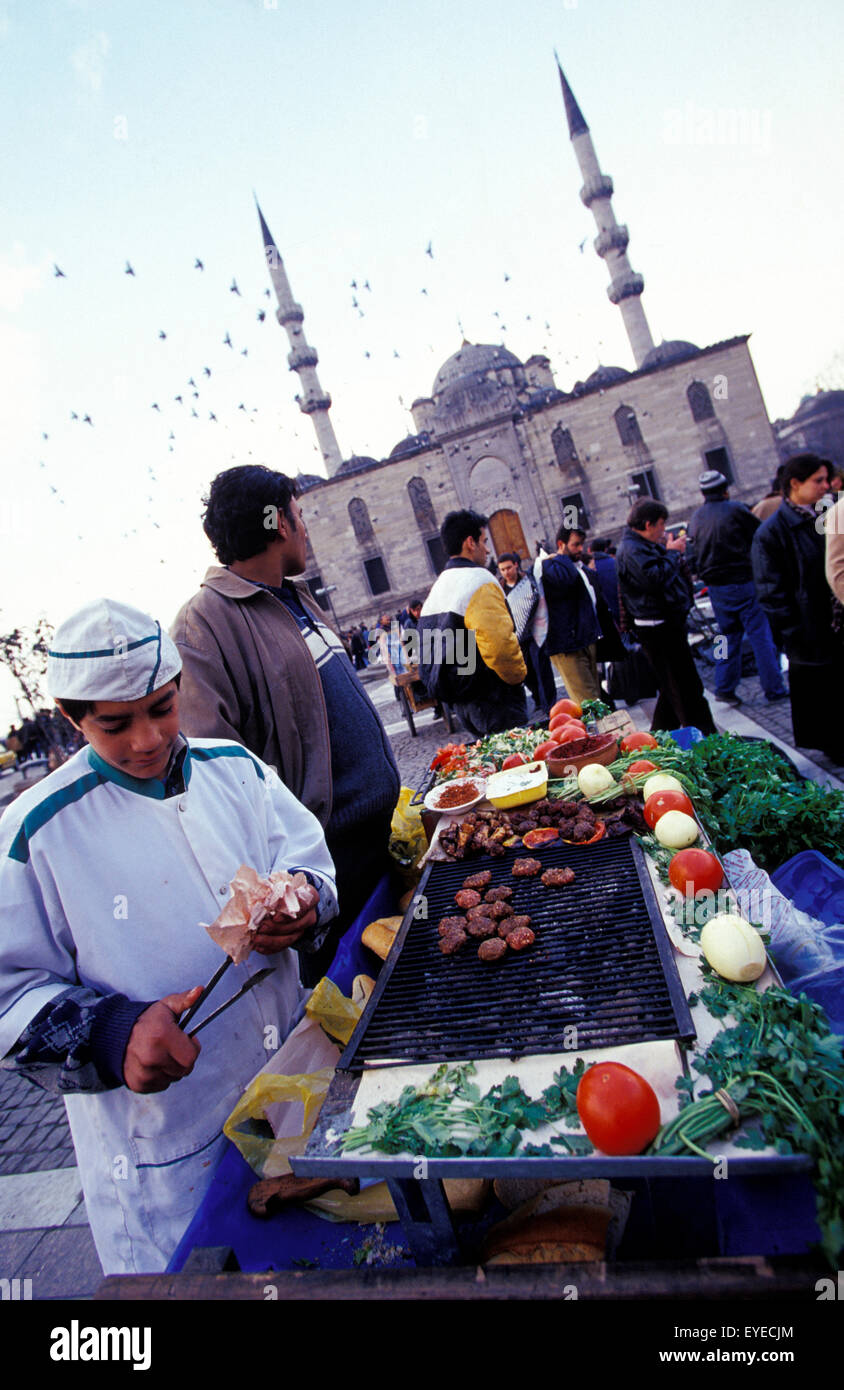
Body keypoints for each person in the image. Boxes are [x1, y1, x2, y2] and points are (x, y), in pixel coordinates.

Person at [0, 600, 338, 1275]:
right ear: (72, 717)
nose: (148, 739)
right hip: (166, 1152)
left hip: (291, 1092)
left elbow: (307, 858)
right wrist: (110, 1033)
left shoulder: (233, 767)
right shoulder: (35, 831)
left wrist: (305, 901)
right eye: (114, 724)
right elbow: (10, 998)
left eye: (161, 707)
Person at [171, 466, 400, 981]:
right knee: (357, 1003)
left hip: (375, 847)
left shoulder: (295, 597)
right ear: (277, 523)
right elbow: (212, 774)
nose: (306, 528)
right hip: (325, 867)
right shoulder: (203, 626)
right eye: (298, 515)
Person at [752, 454, 844, 762]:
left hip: (835, 620)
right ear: (795, 484)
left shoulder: (826, 514)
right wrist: (795, 631)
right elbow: (770, 592)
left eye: (826, 480)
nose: (826, 486)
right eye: (817, 481)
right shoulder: (771, 533)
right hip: (810, 629)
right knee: (823, 698)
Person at [417, 510, 527, 736]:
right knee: (519, 764)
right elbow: (500, 648)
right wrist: (518, 677)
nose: (487, 549)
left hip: (462, 703)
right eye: (484, 541)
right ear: (470, 542)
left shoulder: (438, 587)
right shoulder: (480, 580)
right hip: (493, 699)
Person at [686, 470, 788, 706]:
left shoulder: (696, 518)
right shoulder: (736, 510)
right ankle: (773, 687)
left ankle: (724, 686)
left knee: (725, 637)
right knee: (760, 636)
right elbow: (762, 535)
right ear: (725, 490)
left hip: (717, 589)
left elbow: (693, 555)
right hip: (744, 582)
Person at [616, 499, 717, 734]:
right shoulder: (632, 549)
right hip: (658, 628)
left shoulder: (640, 545)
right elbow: (653, 579)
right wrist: (672, 554)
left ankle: (660, 734)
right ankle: (705, 737)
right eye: (661, 524)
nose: (664, 530)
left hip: (664, 624)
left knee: (673, 687)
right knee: (684, 688)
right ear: (648, 524)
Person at [542, 525, 622, 706]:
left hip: (586, 639)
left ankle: (604, 732)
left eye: (581, 544)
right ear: (561, 544)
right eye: (575, 545)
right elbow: (564, 582)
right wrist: (562, 558)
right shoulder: (551, 566)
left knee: (595, 697)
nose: (580, 549)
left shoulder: (576, 566)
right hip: (568, 646)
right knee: (589, 702)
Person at [497, 552, 557, 719]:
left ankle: (550, 705)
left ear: (516, 565)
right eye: (502, 569)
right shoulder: (499, 590)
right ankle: (538, 700)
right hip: (516, 638)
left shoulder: (529, 581)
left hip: (535, 633)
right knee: (527, 674)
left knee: (542, 669)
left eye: (509, 567)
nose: (506, 572)